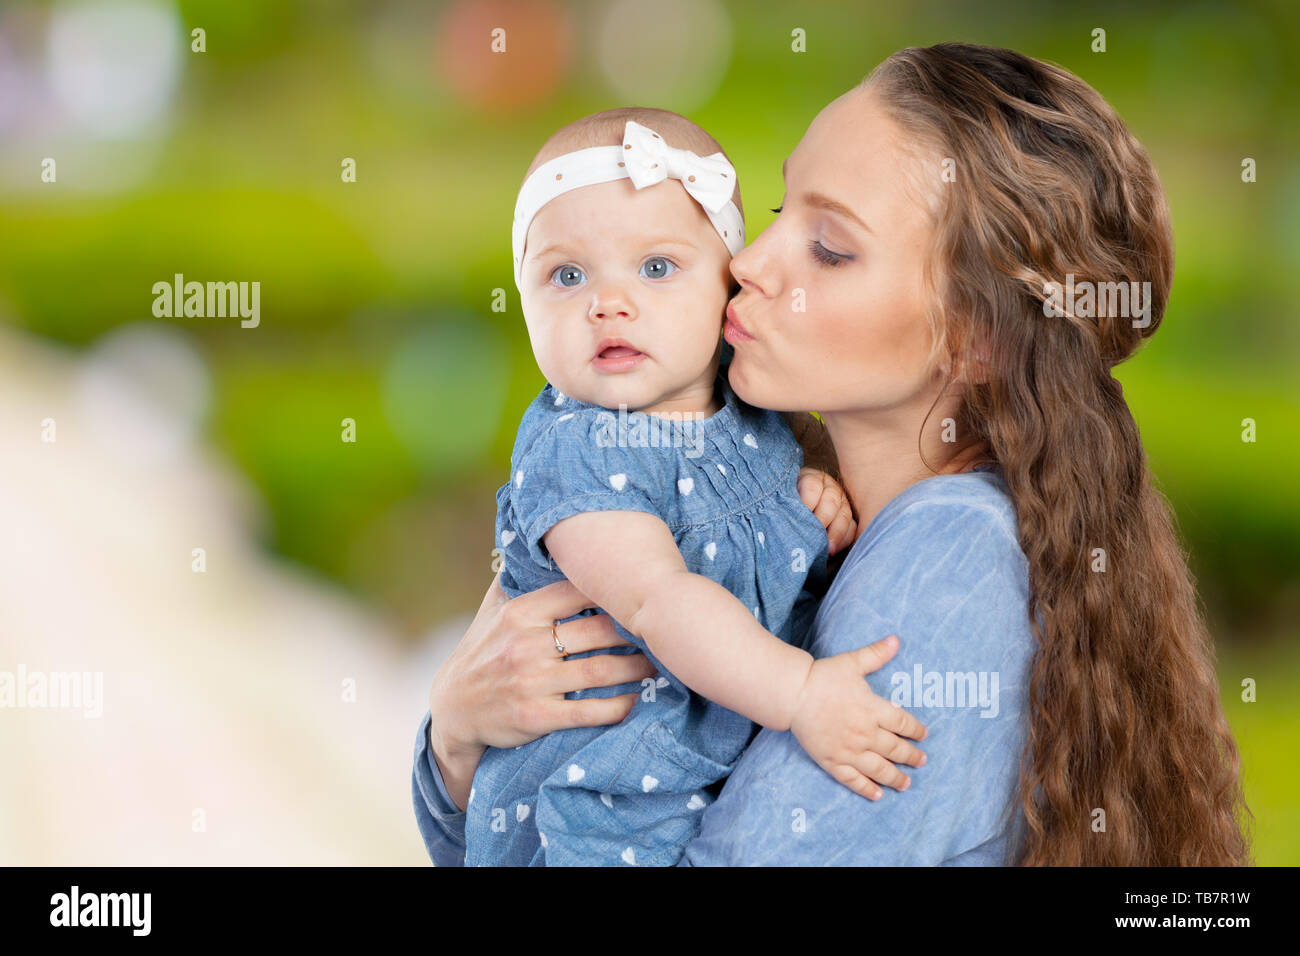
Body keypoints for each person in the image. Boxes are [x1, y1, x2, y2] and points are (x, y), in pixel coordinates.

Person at [414, 42, 1252, 866]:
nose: (747, 264)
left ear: (976, 339)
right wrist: (455, 732)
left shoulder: (950, 561)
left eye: (832, 248)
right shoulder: (764, 486)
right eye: (782, 215)